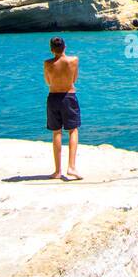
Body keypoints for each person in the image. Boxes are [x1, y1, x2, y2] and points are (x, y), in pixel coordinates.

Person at [43, 36, 81, 180]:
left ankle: (57, 170)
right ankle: (71, 166)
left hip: (53, 97)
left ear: (52, 49)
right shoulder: (73, 60)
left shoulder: (47, 63)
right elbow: (74, 79)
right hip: (69, 96)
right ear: (65, 47)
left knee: (56, 132)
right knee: (73, 131)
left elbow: (47, 81)